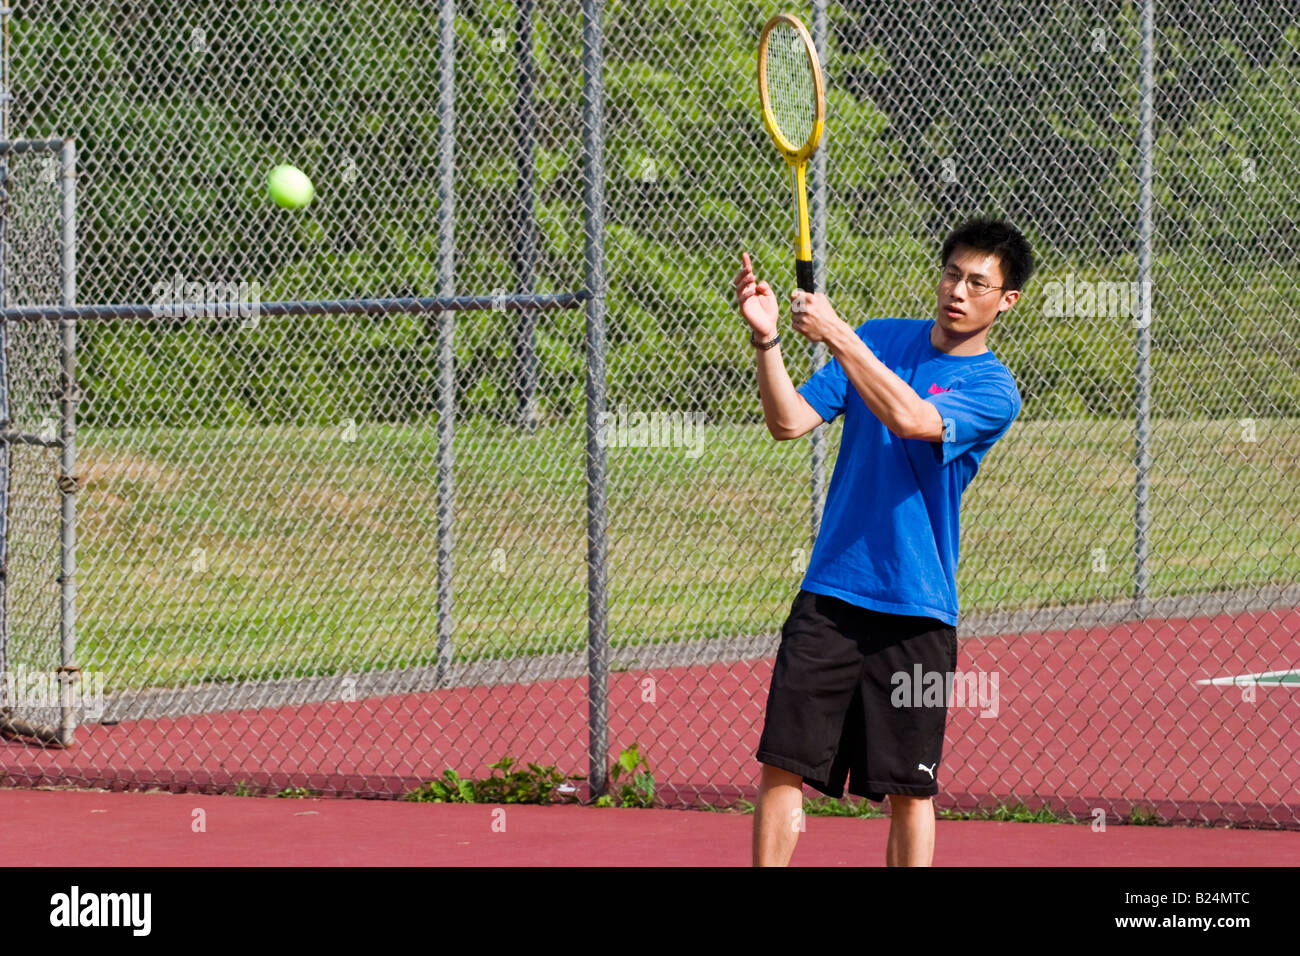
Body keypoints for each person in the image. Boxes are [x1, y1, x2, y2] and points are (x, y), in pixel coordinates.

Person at [734, 217, 1033, 866]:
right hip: (831, 595)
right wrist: (768, 341)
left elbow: (911, 418)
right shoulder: (878, 338)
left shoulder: (993, 390)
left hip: (917, 611)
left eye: (978, 283)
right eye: (952, 273)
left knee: (908, 788)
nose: (958, 290)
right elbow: (788, 422)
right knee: (783, 765)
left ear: (1006, 301)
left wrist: (838, 334)